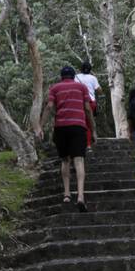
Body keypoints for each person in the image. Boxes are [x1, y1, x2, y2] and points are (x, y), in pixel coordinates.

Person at [36, 64, 95, 211]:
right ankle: (80, 196)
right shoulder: (81, 88)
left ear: (61, 77)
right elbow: (87, 109)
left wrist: (40, 126)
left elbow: (49, 107)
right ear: (74, 76)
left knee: (65, 160)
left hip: (61, 127)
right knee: (79, 160)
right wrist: (93, 129)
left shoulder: (55, 88)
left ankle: (67, 194)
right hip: (78, 126)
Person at [75, 60, 101, 149]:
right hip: (91, 102)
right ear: (90, 69)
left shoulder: (76, 77)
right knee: (89, 123)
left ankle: (81, 143)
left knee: (80, 123)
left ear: (80, 69)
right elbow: (99, 91)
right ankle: (88, 144)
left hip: (79, 102)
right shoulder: (93, 78)